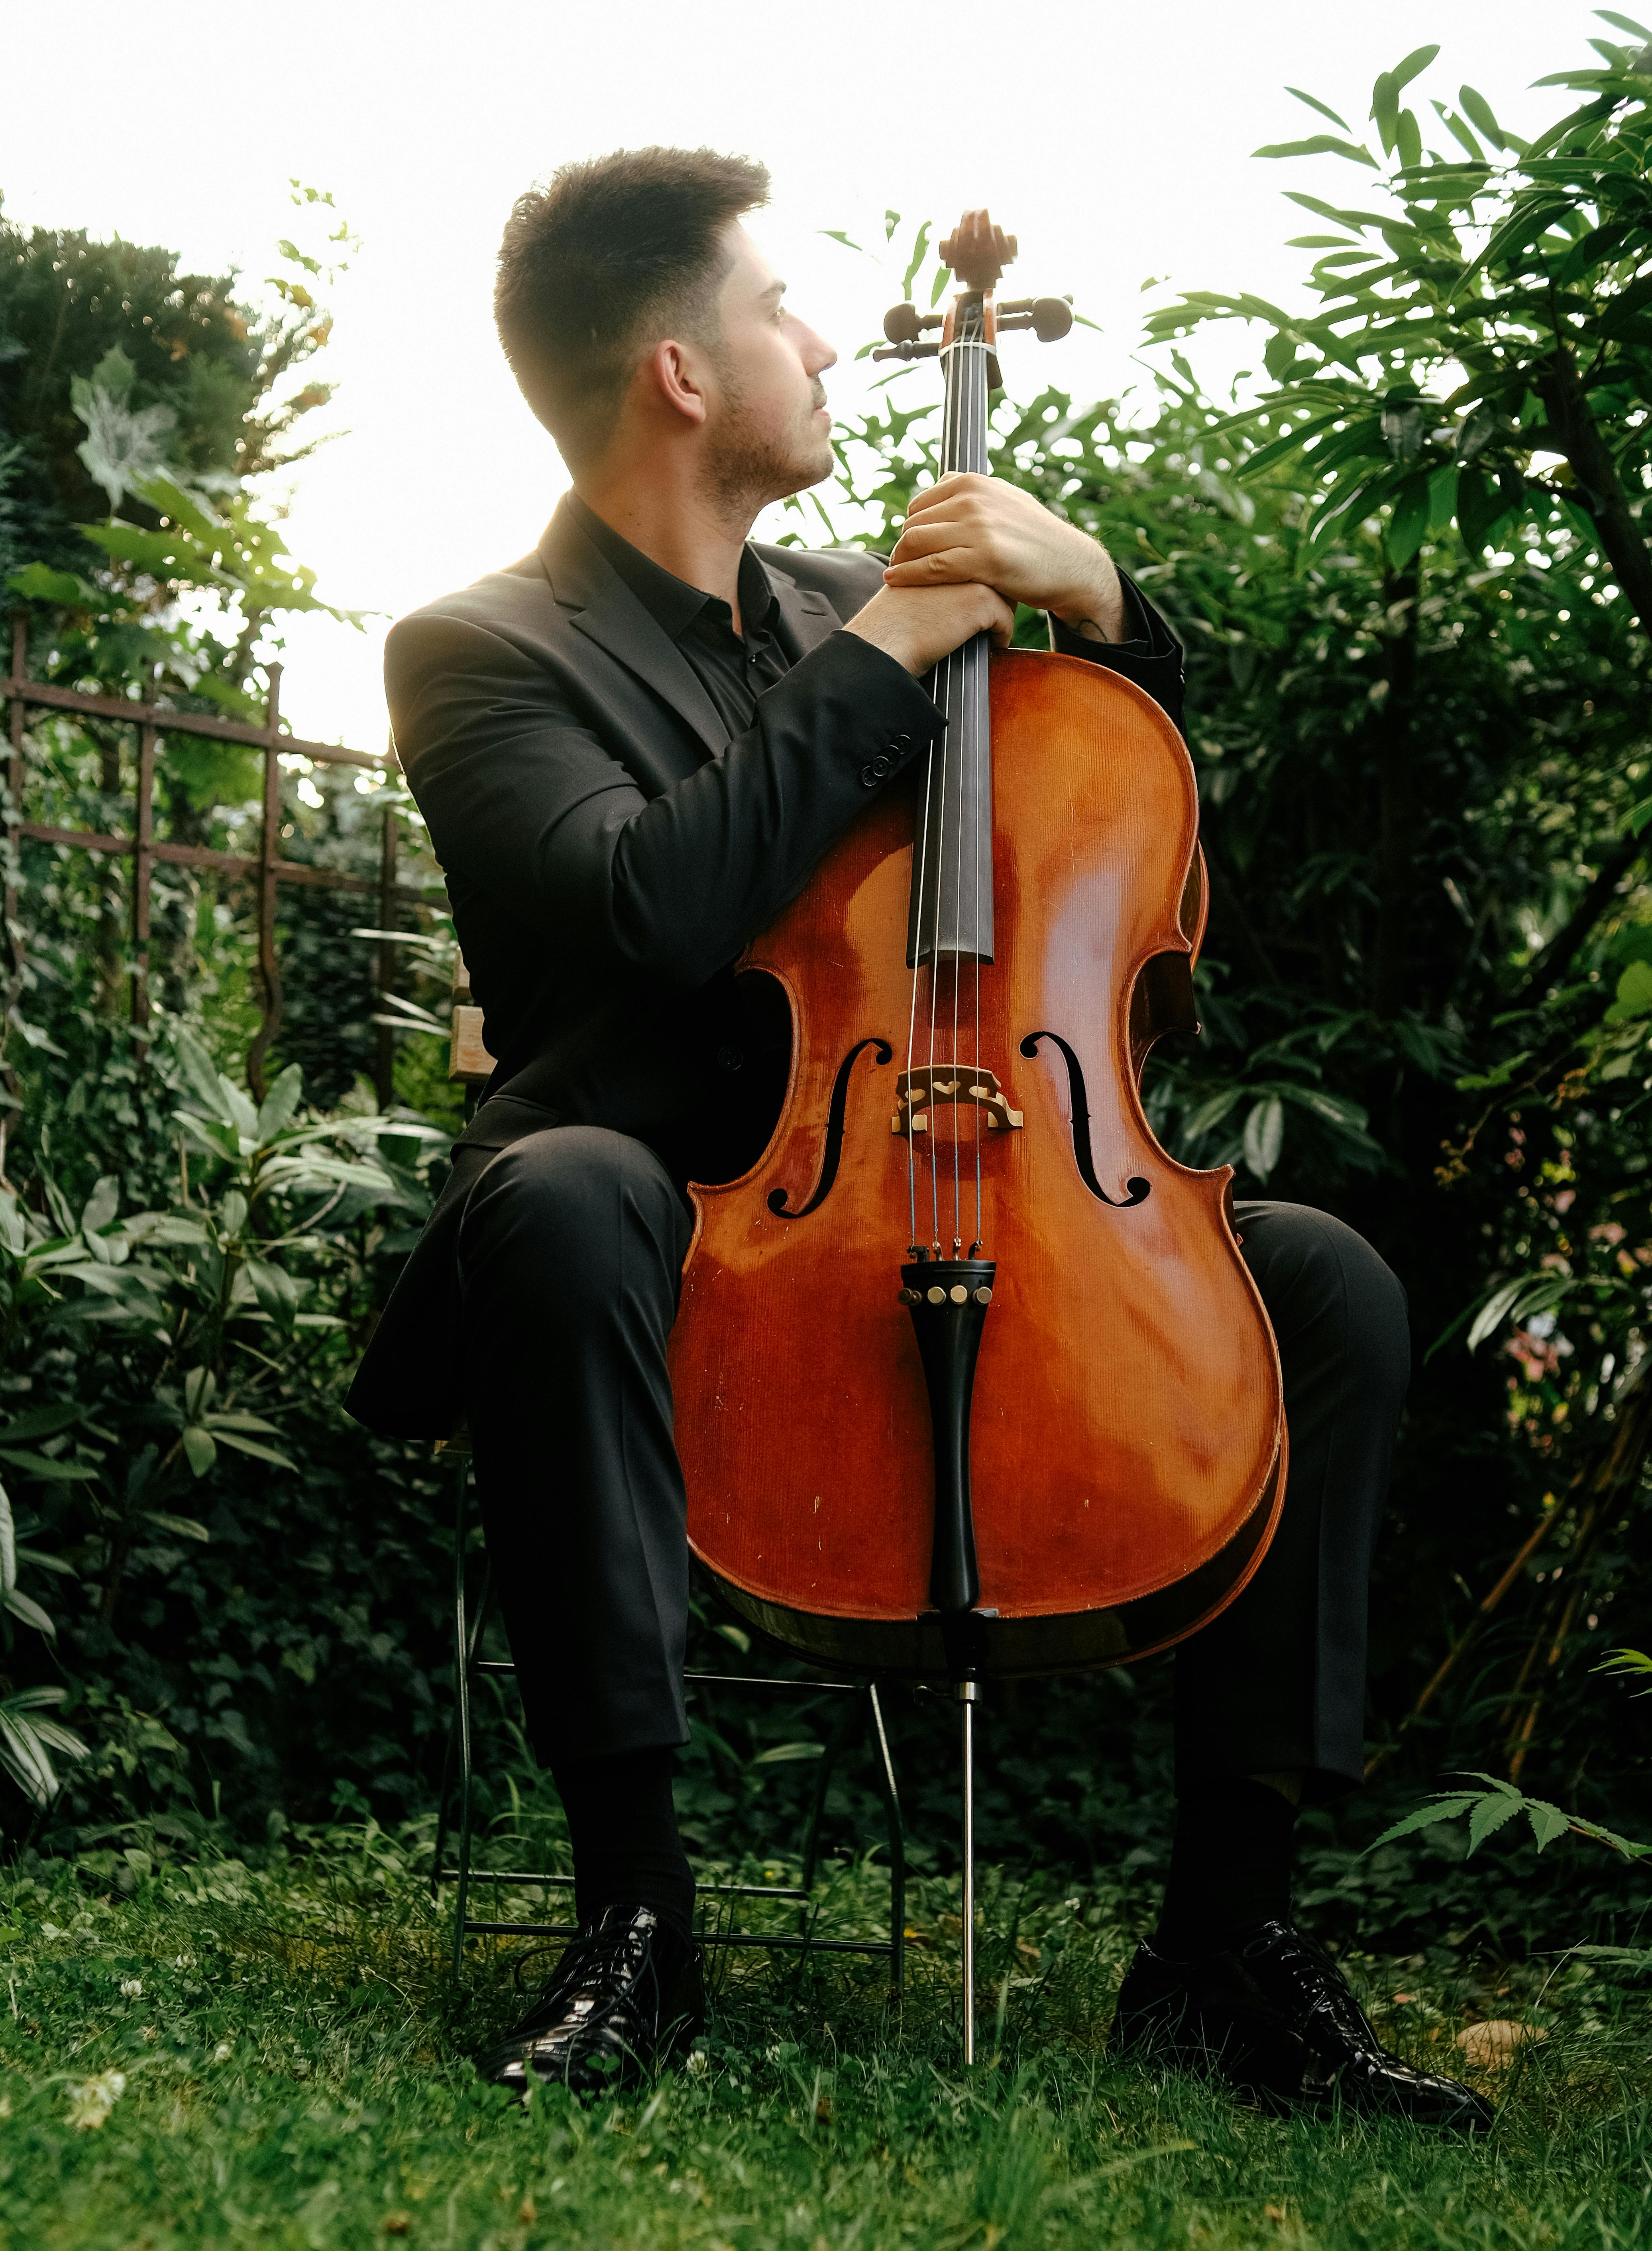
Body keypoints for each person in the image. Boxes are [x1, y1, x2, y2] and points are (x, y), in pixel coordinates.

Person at [347, 147, 1488, 2131]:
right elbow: (646, 910)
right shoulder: (482, 651)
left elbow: (1127, 782)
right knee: (559, 1188)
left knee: (1322, 1284)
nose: (822, 338)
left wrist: (1095, 595)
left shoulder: (841, 603)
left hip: (957, 1192)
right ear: (682, 371)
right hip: (662, 1265)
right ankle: (635, 1915)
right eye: (784, 306)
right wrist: (890, 642)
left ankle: (1225, 1942)